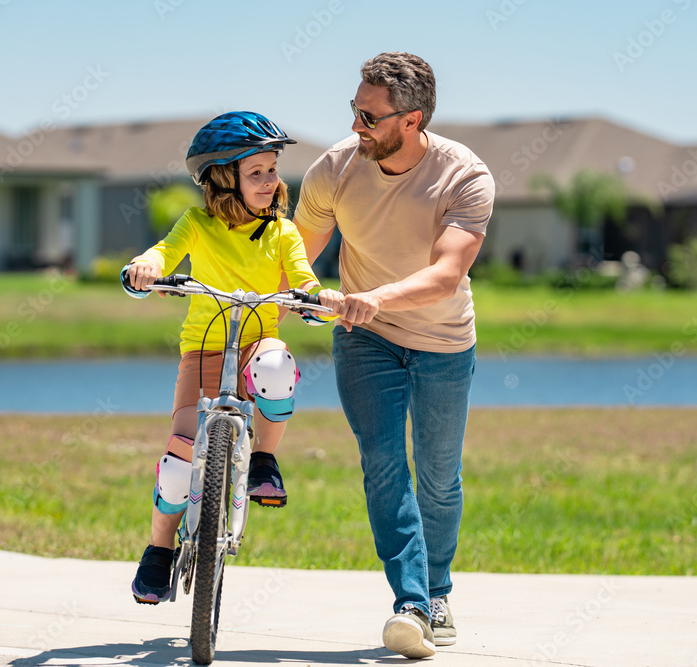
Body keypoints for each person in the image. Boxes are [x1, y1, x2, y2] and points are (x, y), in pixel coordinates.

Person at [294, 52, 495, 659]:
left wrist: (372, 296)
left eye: (369, 116)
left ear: (411, 119)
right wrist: (277, 316)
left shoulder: (465, 175)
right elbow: (296, 254)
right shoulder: (334, 169)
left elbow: (445, 273)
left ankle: (437, 591)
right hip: (365, 338)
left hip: (441, 340)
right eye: (354, 111)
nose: (356, 125)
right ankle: (409, 603)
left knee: (438, 478)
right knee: (383, 461)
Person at [126, 111, 338, 604]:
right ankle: (158, 551)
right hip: (204, 347)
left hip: (256, 342)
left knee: (276, 365)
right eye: (256, 172)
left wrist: (315, 297)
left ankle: (264, 458)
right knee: (180, 454)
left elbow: (303, 276)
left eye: (273, 169)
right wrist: (146, 266)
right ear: (225, 179)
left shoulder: (282, 232)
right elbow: (165, 251)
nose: (271, 181)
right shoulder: (198, 222)